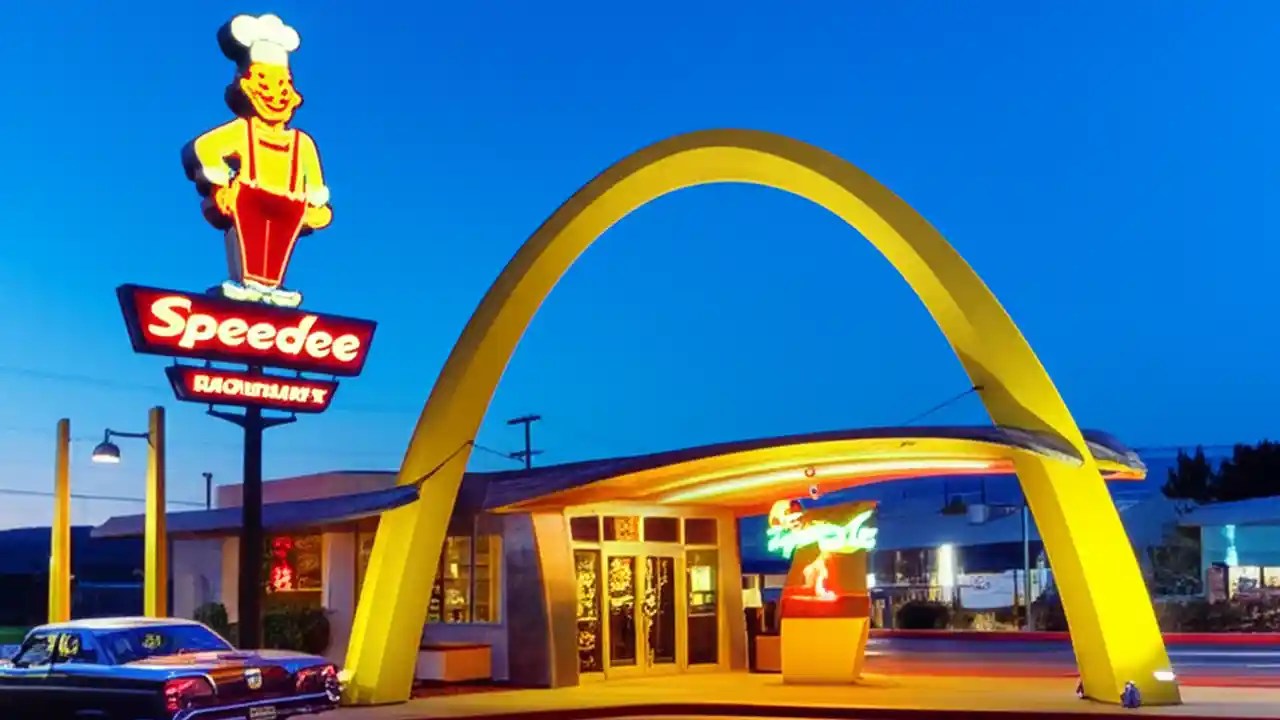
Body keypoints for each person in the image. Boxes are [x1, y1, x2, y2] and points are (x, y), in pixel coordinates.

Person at [182, 14, 332, 307]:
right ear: (246, 86)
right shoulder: (243, 131)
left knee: (279, 245)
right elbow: (203, 148)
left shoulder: (301, 143)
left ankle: (272, 289)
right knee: (249, 240)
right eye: (265, 84)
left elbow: (314, 182)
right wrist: (220, 182)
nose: (275, 95)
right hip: (249, 195)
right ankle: (249, 284)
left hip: (290, 204)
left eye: (283, 86)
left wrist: (317, 205)